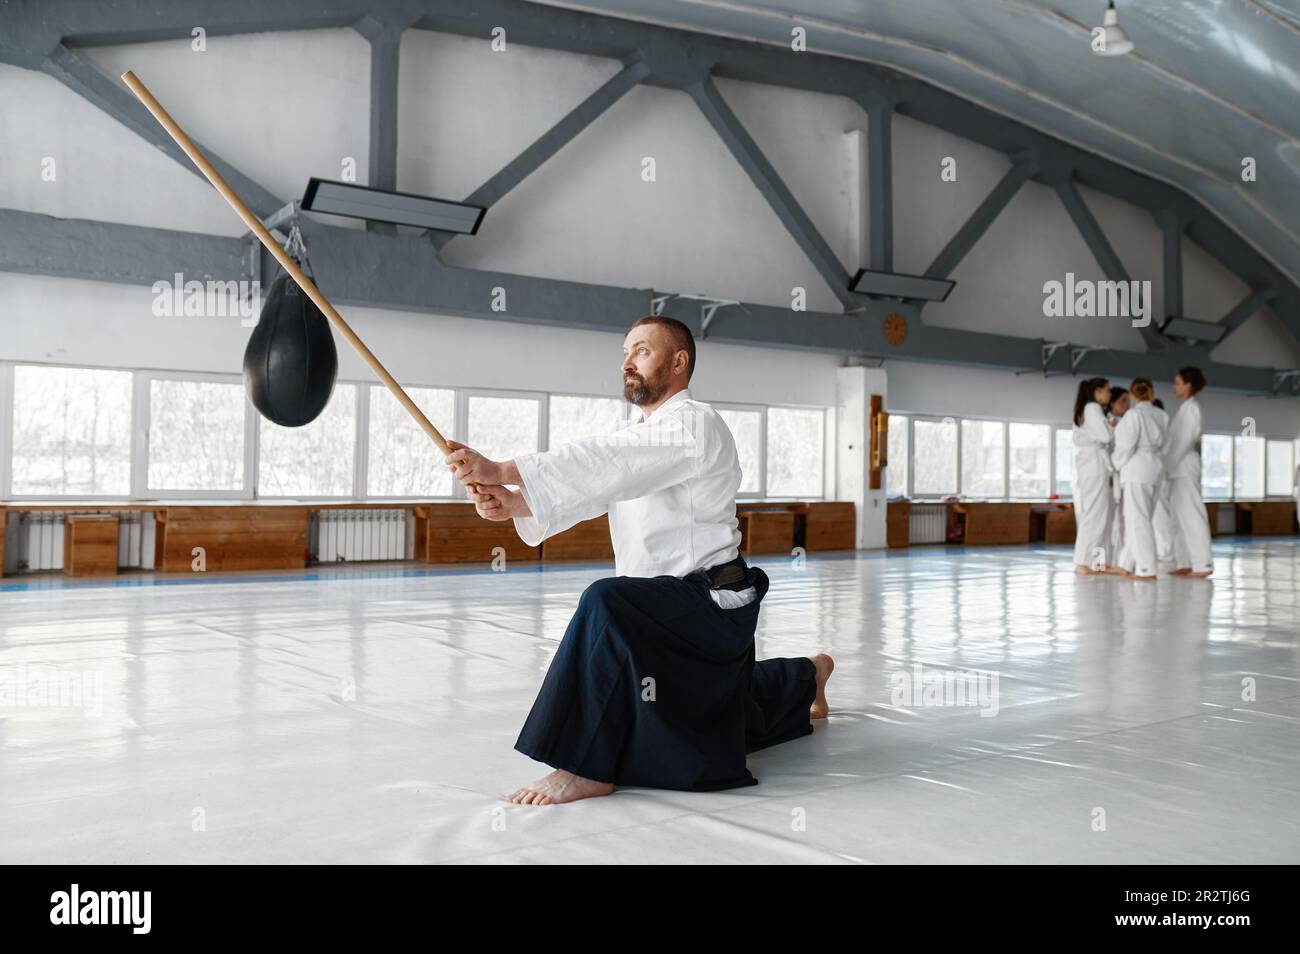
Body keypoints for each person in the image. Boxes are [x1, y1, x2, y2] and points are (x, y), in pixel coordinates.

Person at [443, 315, 834, 805]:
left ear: (678, 362)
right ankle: (810, 672)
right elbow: (599, 490)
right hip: (667, 607)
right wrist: (513, 501)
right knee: (723, 708)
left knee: (606, 601)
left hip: (709, 601)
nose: (626, 362)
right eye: (625, 353)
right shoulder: (640, 437)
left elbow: (614, 461)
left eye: (641, 351)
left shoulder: (694, 423)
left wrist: (506, 468)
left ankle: (583, 765)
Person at [1111, 378, 1167, 581]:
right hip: (1156, 469)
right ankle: (1125, 565)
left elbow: (1125, 447)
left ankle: (1146, 569)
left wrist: (1114, 465)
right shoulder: (1162, 415)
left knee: (1138, 521)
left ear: (1133, 394)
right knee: (1142, 519)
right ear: (1152, 392)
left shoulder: (1133, 415)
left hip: (1137, 470)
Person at [1163, 366, 1213, 578]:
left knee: (1192, 515)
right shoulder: (1184, 409)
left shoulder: (1192, 409)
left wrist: (1164, 467)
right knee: (1177, 518)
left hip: (1183, 467)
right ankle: (1185, 561)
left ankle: (1203, 563)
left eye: (1177, 382)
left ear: (1188, 385)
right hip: (1176, 468)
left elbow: (1182, 443)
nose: (1174, 387)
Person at [1072, 378, 1115, 574]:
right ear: (1097, 392)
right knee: (1094, 514)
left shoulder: (1088, 409)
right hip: (1094, 464)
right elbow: (1105, 436)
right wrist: (1112, 426)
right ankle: (1081, 562)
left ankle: (1098, 562)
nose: (1109, 394)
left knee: (1102, 516)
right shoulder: (1092, 408)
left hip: (1094, 463)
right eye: (1107, 390)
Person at [1150, 398, 1185, 570]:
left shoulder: (1163, 428)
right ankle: (1164, 550)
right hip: (1158, 473)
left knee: (1161, 514)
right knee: (1159, 515)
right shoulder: (1163, 427)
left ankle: (1166, 551)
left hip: (1162, 474)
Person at [1104, 386, 1132, 575]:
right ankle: (1098, 564)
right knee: (1100, 525)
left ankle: (1120, 563)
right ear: (1111, 403)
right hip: (1104, 478)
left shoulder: (1129, 422)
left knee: (1122, 522)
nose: (1127, 404)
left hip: (1121, 478)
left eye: (1128, 400)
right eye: (1123, 400)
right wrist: (1110, 473)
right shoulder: (1103, 423)